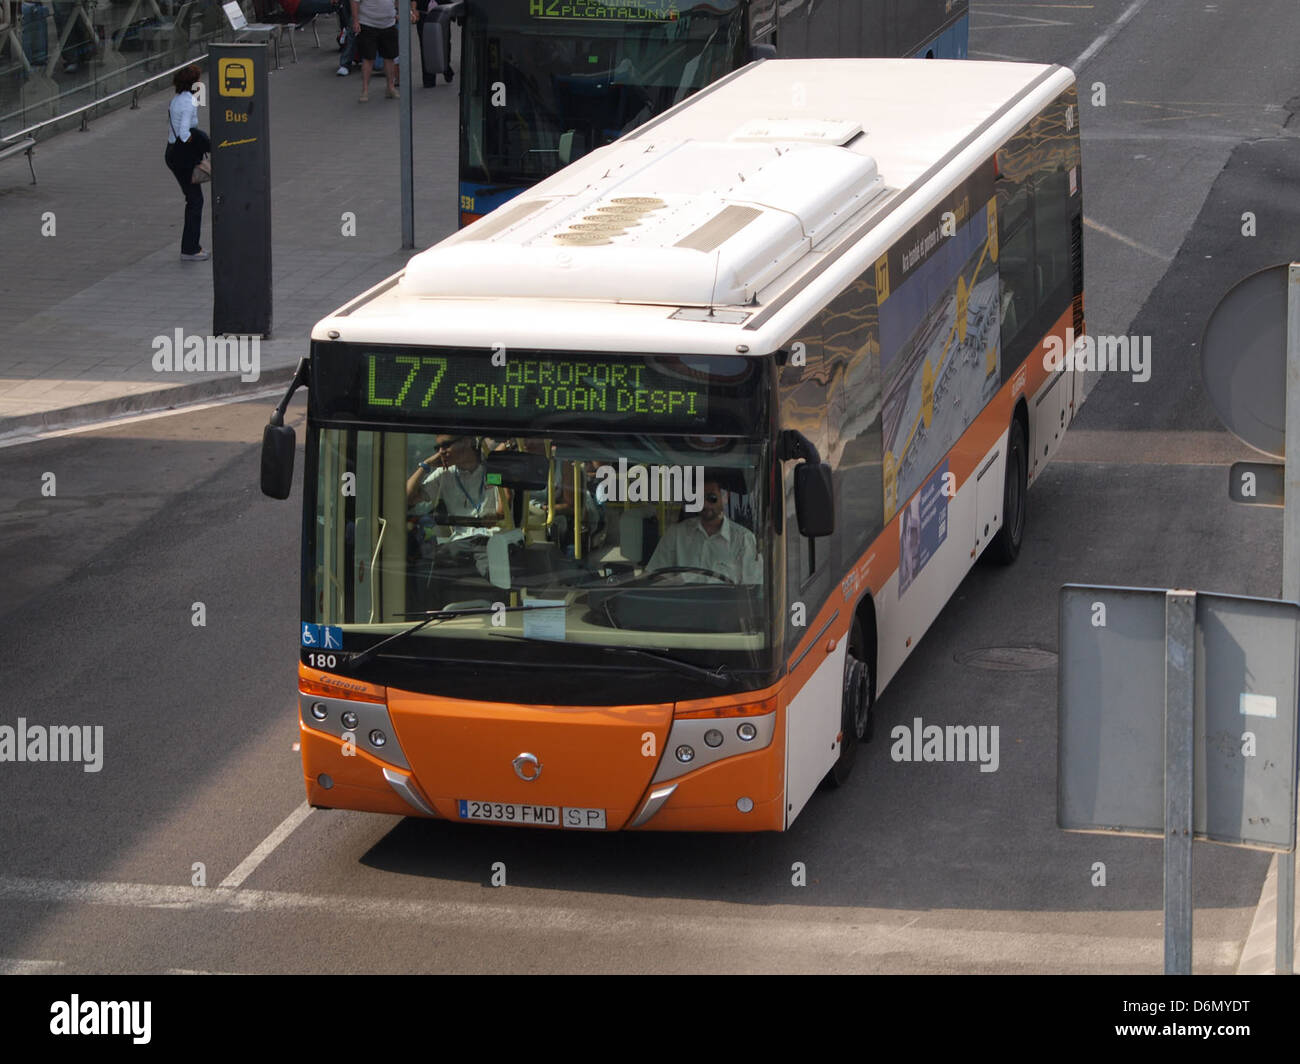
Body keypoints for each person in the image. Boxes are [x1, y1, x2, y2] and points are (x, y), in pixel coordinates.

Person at [645, 477, 762, 585]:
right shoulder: (675, 534)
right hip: (680, 599)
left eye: (711, 498)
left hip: (724, 600)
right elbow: (656, 576)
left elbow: (751, 588)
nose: (705, 504)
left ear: (725, 498)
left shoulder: (743, 539)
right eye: (700, 498)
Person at [406, 434, 504, 544]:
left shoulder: (491, 469)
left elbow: (504, 506)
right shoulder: (444, 473)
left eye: (446, 445)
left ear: (466, 441)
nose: (441, 452)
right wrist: (426, 465)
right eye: (438, 448)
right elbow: (407, 498)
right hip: (461, 541)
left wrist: (492, 518)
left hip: (493, 539)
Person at [164, 64, 210, 262]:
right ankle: (190, 248)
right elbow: (184, 133)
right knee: (195, 201)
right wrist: (197, 142)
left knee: (193, 199)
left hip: (172, 152)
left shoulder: (176, 100)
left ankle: (190, 246)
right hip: (182, 158)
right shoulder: (189, 101)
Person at [350, 0, 413, 101]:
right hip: (368, 24)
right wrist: (355, 21)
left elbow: (398, 1)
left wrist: (404, 12)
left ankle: (390, 88)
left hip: (389, 24)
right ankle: (365, 91)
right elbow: (354, 1)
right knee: (368, 58)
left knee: (390, 58)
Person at [411, 0, 454, 87]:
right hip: (423, 13)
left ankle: (446, 68)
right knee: (426, 46)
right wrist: (414, 10)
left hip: (442, 12)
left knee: (444, 44)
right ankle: (428, 79)